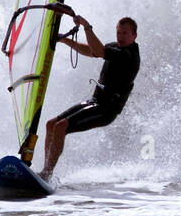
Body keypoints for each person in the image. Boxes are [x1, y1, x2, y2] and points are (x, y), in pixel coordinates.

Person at [39, 15, 140, 180]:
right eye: (119, 32)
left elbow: (100, 51)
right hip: (95, 102)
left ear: (134, 35)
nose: (121, 37)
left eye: (125, 33)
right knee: (51, 124)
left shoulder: (129, 54)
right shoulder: (116, 48)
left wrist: (87, 26)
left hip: (107, 110)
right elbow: (92, 51)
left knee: (60, 127)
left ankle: (47, 174)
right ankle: (45, 171)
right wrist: (64, 40)